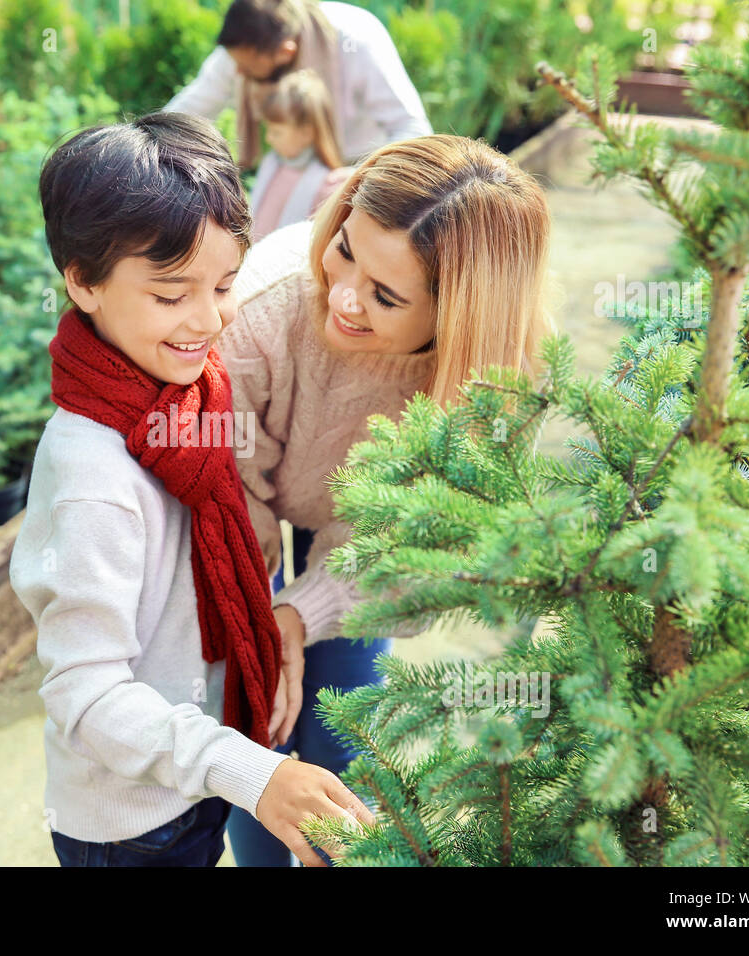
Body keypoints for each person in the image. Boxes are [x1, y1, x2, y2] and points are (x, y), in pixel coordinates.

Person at [10, 110, 375, 867]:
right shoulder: (94, 472)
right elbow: (87, 696)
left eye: (226, 284)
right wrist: (253, 772)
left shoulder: (189, 395)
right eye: (171, 295)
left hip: (189, 782)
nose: (209, 320)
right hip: (131, 823)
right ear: (82, 281)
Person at [218, 134, 555, 865]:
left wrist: (302, 613)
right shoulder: (264, 307)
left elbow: (411, 551)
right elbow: (226, 478)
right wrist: (261, 610)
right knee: (255, 714)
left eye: (386, 295)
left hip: (368, 524)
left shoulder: (497, 387)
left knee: (343, 719)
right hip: (253, 482)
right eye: (345, 250)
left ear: (459, 313)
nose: (344, 296)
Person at [164, 0, 432, 171]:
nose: (237, 72)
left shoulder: (357, 40)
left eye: (246, 66)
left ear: (285, 52)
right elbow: (188, 110)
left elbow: (412, 129)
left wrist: (359, 181)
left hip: (359, 167)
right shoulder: (242, 49)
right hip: (290, 166)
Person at [249, 69, 353, 242]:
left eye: (277, 132)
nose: (268, 138)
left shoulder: (327, 186)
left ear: (306, 133)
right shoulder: (272, 164)